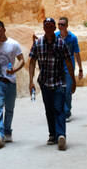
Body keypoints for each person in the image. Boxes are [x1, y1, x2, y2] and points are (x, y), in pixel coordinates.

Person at [29, 17, 76, 150]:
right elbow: (32, 62)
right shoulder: (38, 44)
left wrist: (72, 80)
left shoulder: (61, 44)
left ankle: (61, 135)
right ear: (44, 28)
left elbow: (68, 62)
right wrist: (31, 81)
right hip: (45, 83)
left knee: (59, 108)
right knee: (49, 110)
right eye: (46, 26)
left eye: (51, 26)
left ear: (54, 28)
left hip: (59, 82)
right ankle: (52, 134)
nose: (49, 28)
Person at [56, 17, 83, 121]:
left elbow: (77, 53)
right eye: (59, 24)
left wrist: (80, 69)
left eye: (62, 24)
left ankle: (67, 112)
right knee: (59, 90)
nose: (60, 26)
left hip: (69, 67)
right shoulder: (55, 36)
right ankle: (60, 111)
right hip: (58, 67)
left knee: (67, 90)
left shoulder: (72, 38)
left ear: (67, 26)